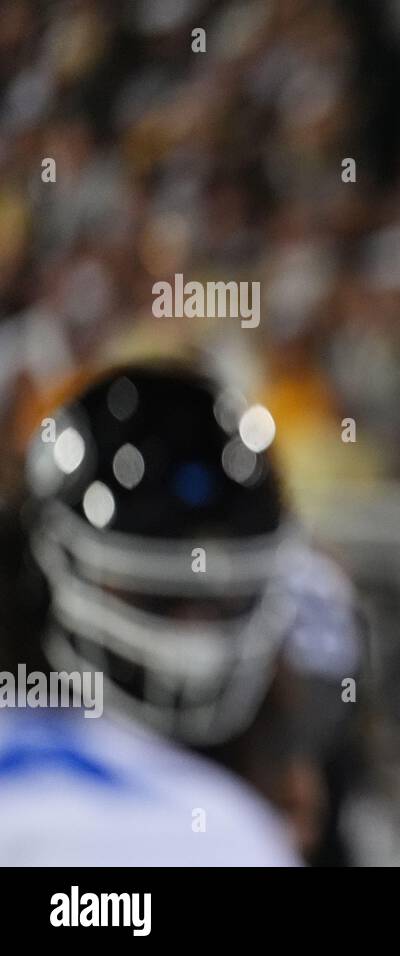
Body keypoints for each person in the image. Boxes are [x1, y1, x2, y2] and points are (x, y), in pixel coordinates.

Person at [0, 363, 303, 865]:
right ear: (39, 574)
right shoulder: (222, 840)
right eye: (150, 594)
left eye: (223, 598)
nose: (194, 630)